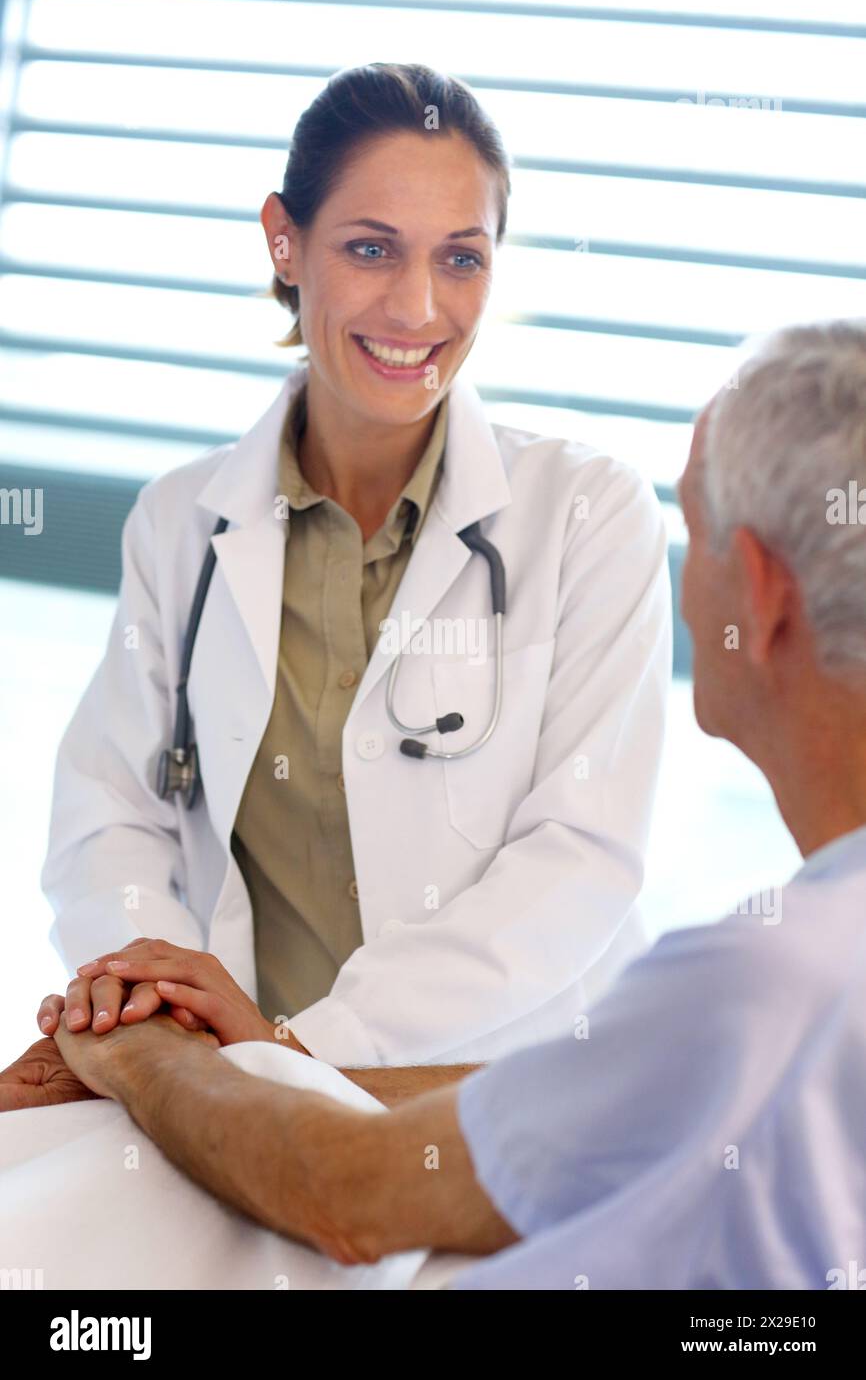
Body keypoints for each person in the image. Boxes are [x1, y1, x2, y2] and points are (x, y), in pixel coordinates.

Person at [7, 317, 865, 1290]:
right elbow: (569, 1107)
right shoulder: (789, 983)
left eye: (698, 535)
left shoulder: (764, 984)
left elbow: (344, 1194)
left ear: (756, 592)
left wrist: (136, 1054)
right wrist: (257, 1051)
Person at [31, 62, 671, 1087]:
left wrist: (297, 1052)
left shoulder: (589, 514)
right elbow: (110, 814)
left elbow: (578, 861)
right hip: (242, 1101)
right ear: (283, 242)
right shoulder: (179, 524)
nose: (417, 307)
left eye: (459, 258)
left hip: (505, 1103)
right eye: (370, 249)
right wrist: (151, 995)